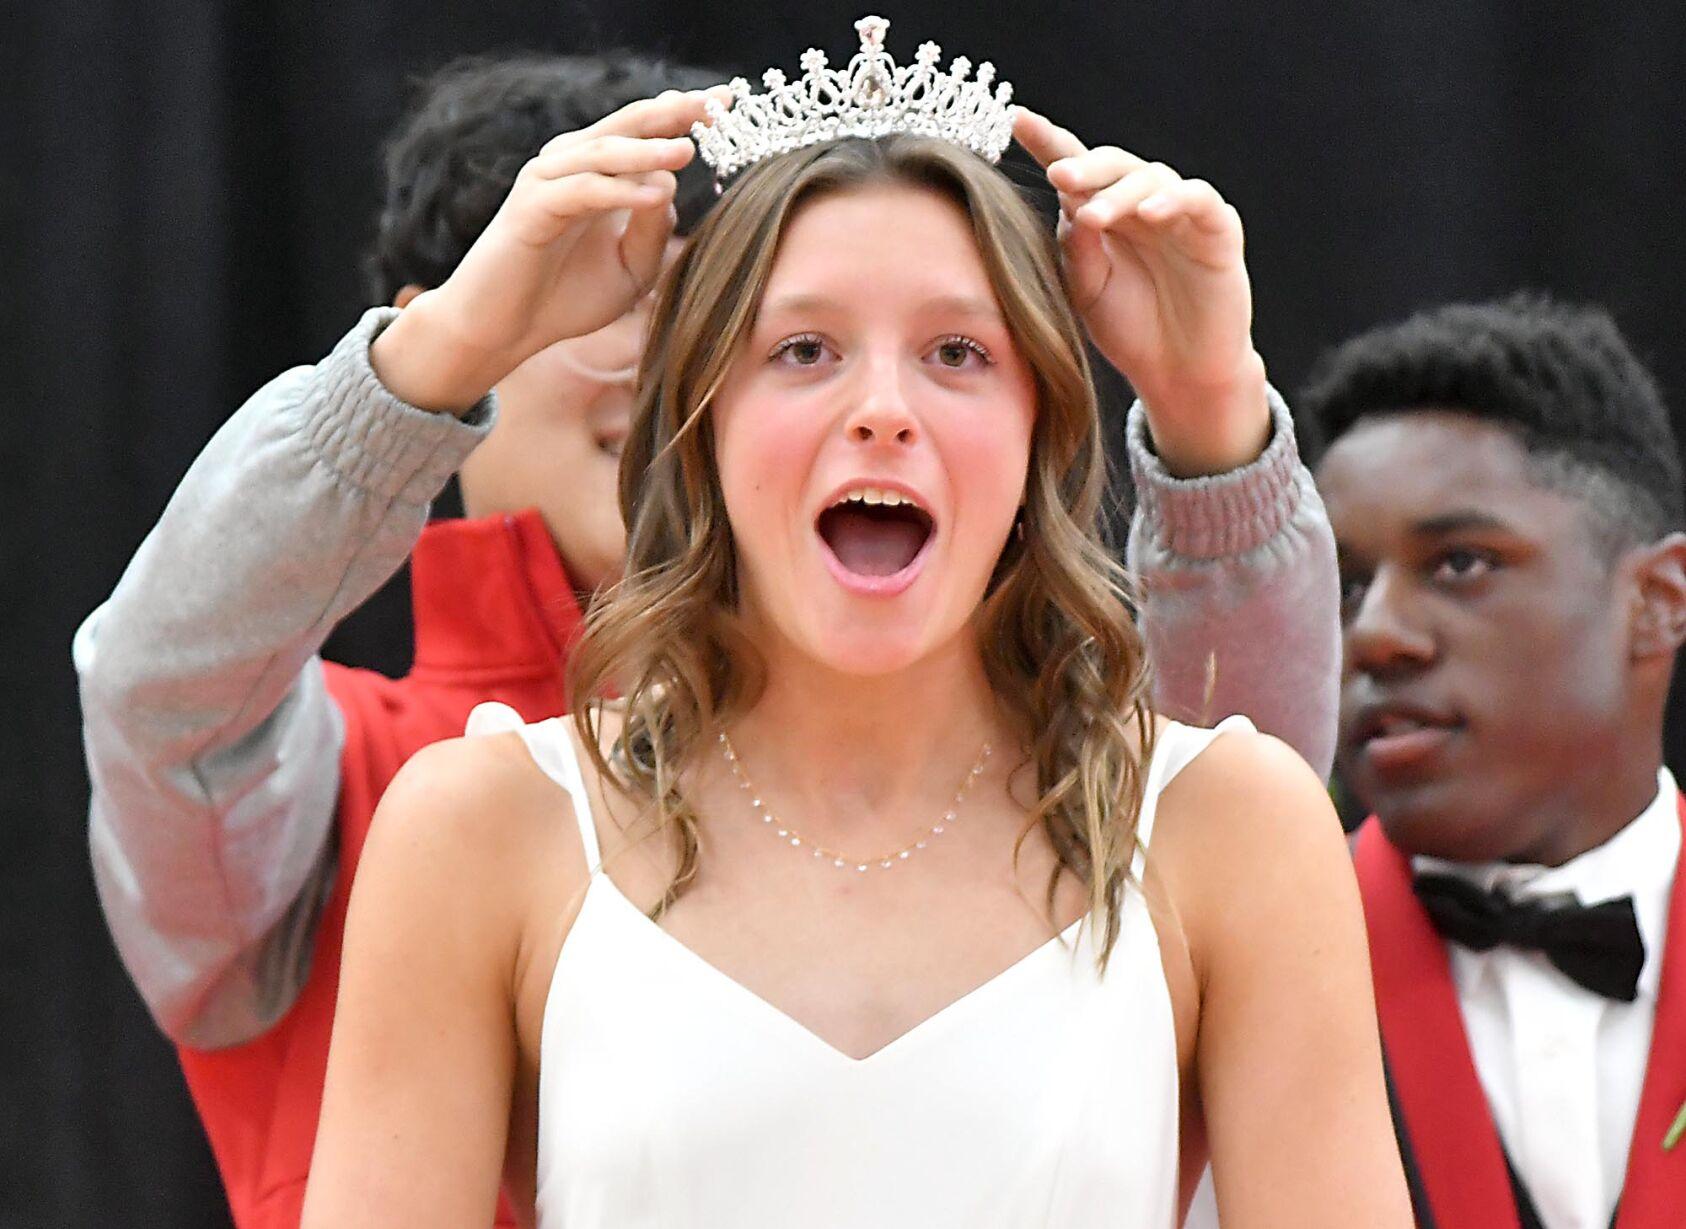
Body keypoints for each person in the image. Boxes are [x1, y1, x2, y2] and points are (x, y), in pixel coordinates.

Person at [77, 39, 1338, 1229]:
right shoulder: (400, 791)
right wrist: (450, 349)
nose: (875, 405)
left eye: (954, 346)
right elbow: (162, 694)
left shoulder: (1169, 803)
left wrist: (1209, 413)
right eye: (796, 344)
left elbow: (1215, 772)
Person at [1305, 295, 1686, 1229]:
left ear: (1658, 601)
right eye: (1345, 584)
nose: (1376, 634)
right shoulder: (1255, 975)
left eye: (1460, 562)